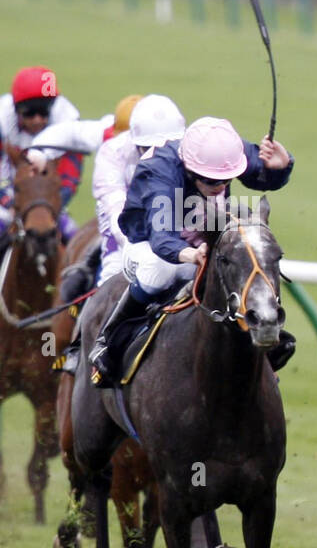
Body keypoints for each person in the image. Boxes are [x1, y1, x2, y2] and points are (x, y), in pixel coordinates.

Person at [89, 116, 294, 386]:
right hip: (146, 243)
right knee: (160, 271)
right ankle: (109, 340)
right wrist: (193, 255)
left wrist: (281, 166)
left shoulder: (223, 150)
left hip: (201, 234)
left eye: (226, 180)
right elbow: (162, 239)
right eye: (212, 182)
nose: (221, 188)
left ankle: (262, 329)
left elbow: (261, 174)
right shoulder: (159, 171)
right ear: (189, 169)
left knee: (243, 253)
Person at [27, 95, 187, 298]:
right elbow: (115, 212)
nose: (157, 156)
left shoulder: (187, 146)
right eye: (147, 149)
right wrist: (40, 151)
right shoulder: (111, 148)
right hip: (125, 219)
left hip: (170, 219)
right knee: (113, 274)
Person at [0, 66, 82, 250]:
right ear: (16, 108)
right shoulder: (1, 119)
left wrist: (51, 203)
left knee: (77, 241)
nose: (37, 119)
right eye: (29, 112)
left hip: (47, 199)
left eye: (44, 112)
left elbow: (70, 176)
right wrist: (9, 202)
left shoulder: (68, 120)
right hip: (7, 197)